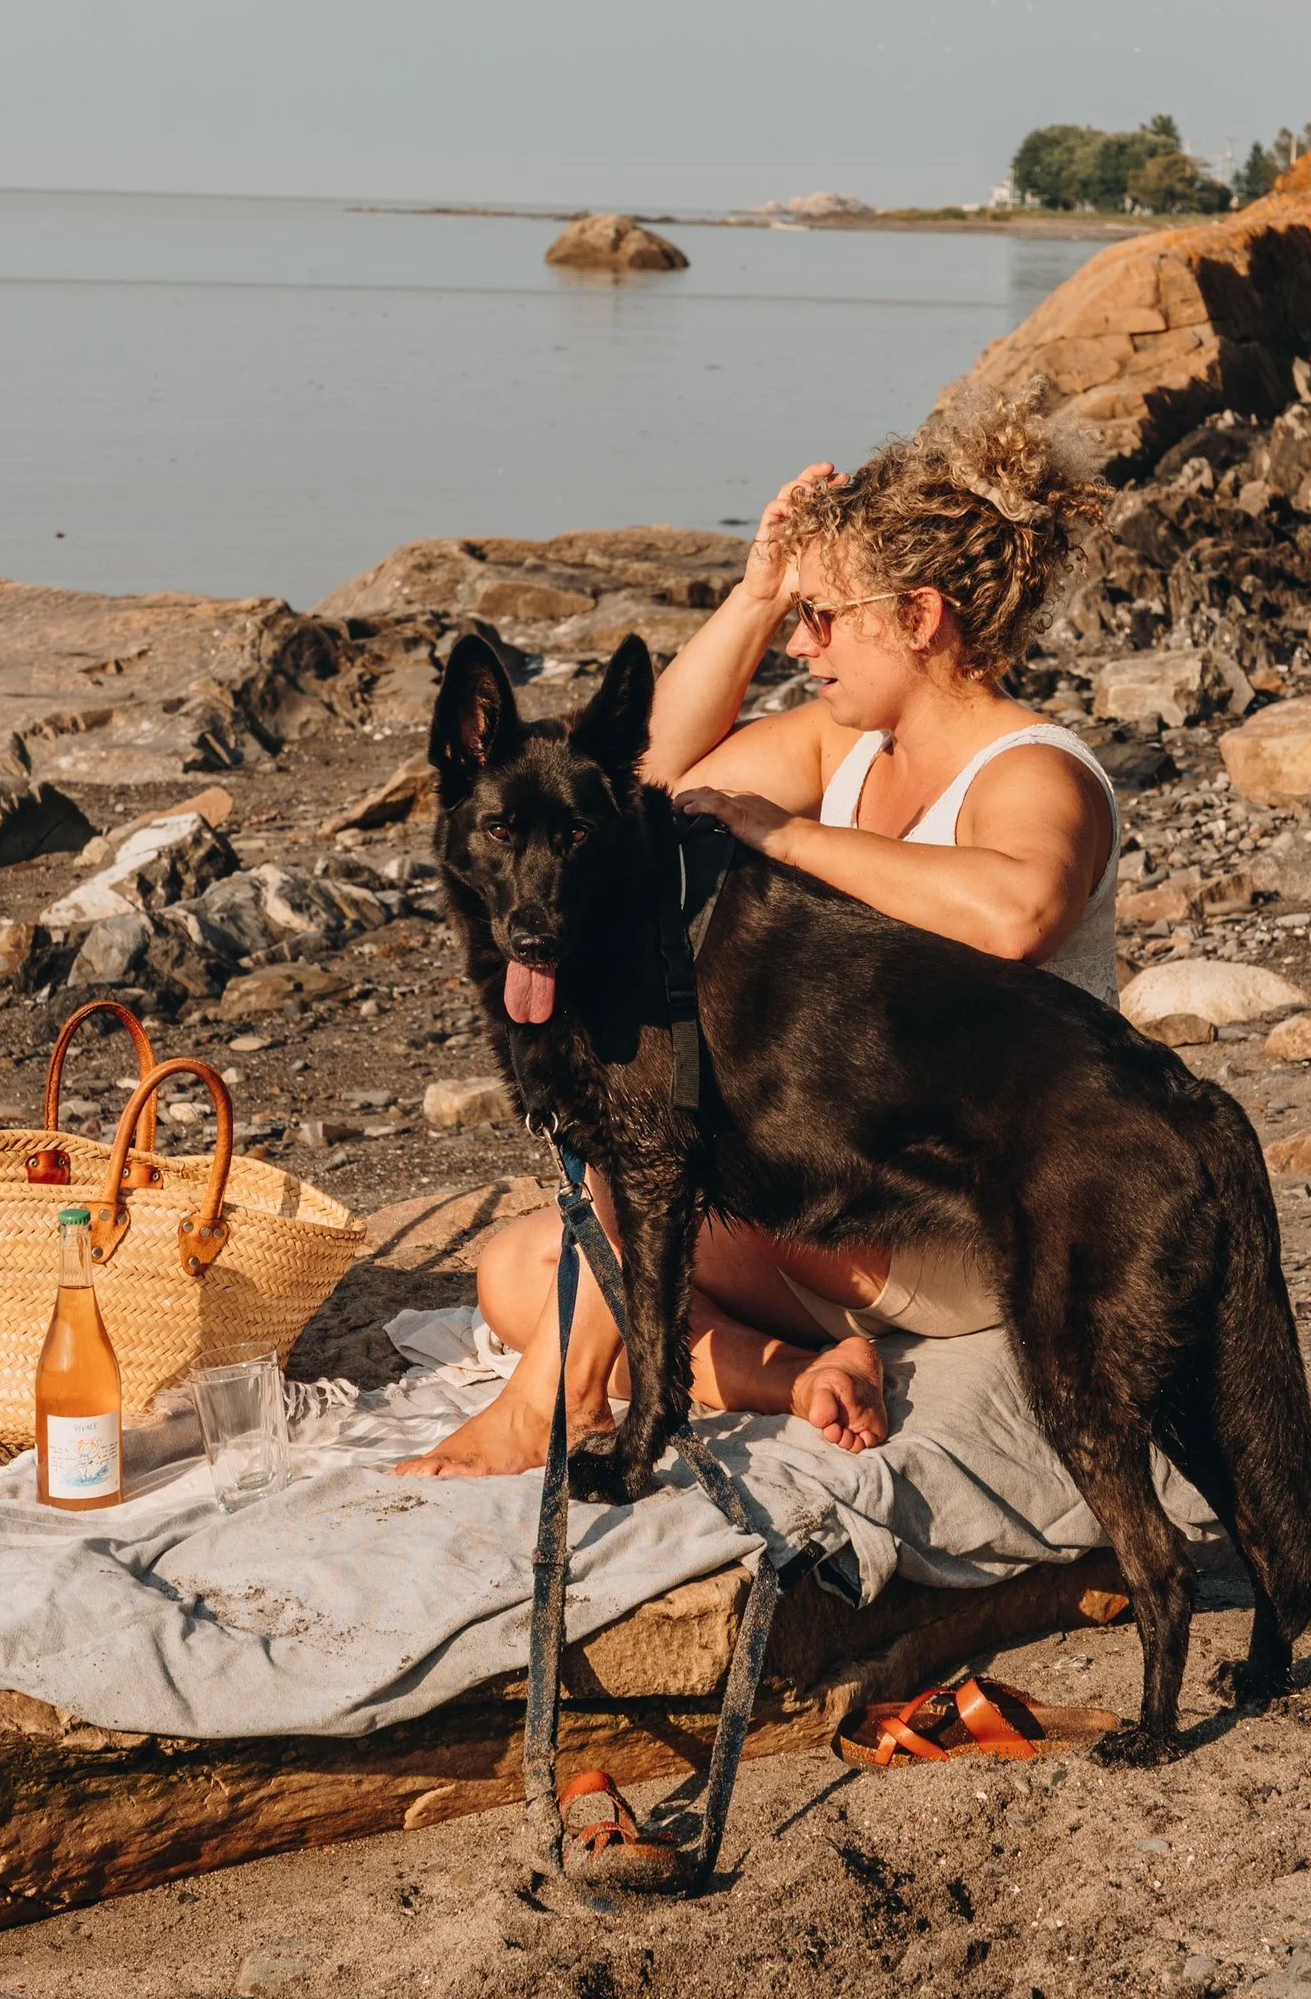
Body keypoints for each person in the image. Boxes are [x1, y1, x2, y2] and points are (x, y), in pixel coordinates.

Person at [414, 414, 1115, 1480]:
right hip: (849, 1182)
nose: (802, 644)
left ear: (918, 618)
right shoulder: (845, 744)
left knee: (629, 1188)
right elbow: (647, 769)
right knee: (518, 1272)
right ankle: (808, 1373)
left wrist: (785, 833)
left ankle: (538, 1413)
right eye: (798, 617)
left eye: (822, 616)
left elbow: (1016, 911)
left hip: (970, 1210)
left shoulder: (1029, 771)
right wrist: (755, 592)